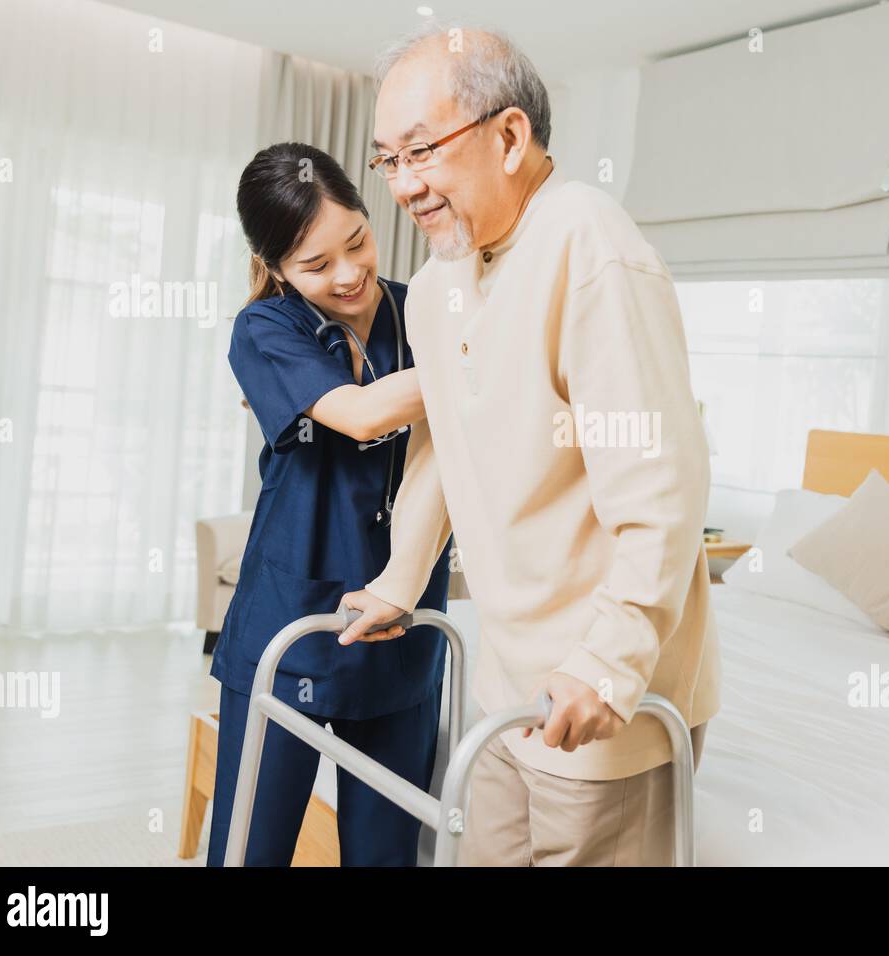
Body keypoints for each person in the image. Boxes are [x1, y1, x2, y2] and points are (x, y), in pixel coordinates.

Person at [338, 24, 720, 866]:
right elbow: (445, 443)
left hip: (602, 695)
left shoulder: (587, 241)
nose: (403, 184)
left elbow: (662, 480)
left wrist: (610, 662)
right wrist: (402, 579)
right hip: (507, 683)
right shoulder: (440, 285)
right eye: (387, 160)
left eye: (421, 150)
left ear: (509, 136)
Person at [205, 142, 451, 867]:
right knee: (250, 852)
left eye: (358, 242)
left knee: (385, 857)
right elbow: (365, 413)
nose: (349, 275)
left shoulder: (426, 313)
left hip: (399, 632)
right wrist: (480, 358)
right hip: (288, 628)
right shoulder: (266, 329)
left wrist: (471, 348)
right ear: (275, 267)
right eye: (315, 265)